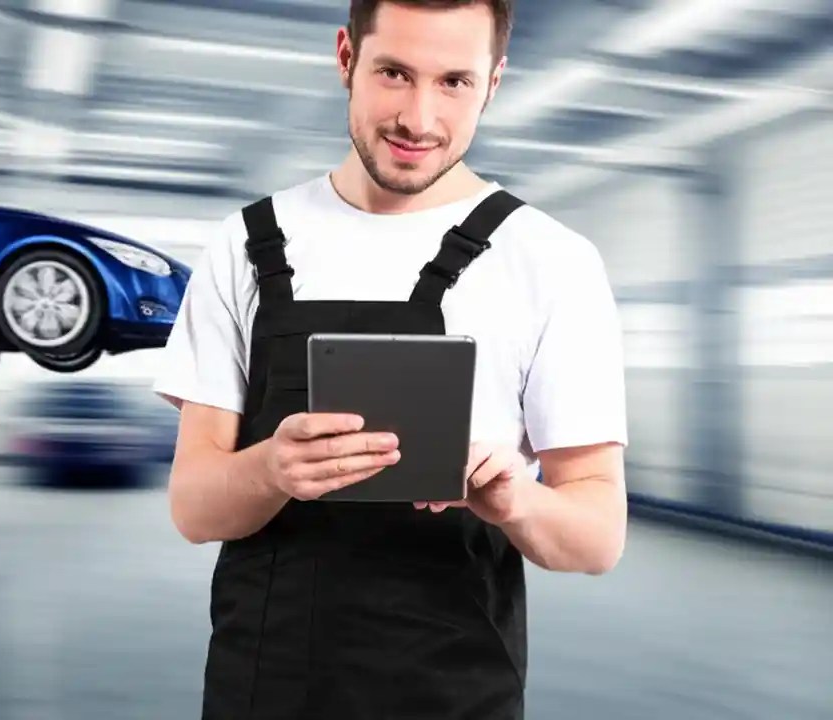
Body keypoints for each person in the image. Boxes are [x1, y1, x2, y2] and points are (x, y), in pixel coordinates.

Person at [152, 1, 629, 718]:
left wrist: (513, 501)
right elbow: (193, 507)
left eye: (454, 83)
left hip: (457, 693)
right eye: (395, 73)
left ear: (494, 82)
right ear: (346, 56)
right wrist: (270, 468)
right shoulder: (246, 245)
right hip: (263, 688)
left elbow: (597, 536)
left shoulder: (551, 261)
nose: (419, 117)